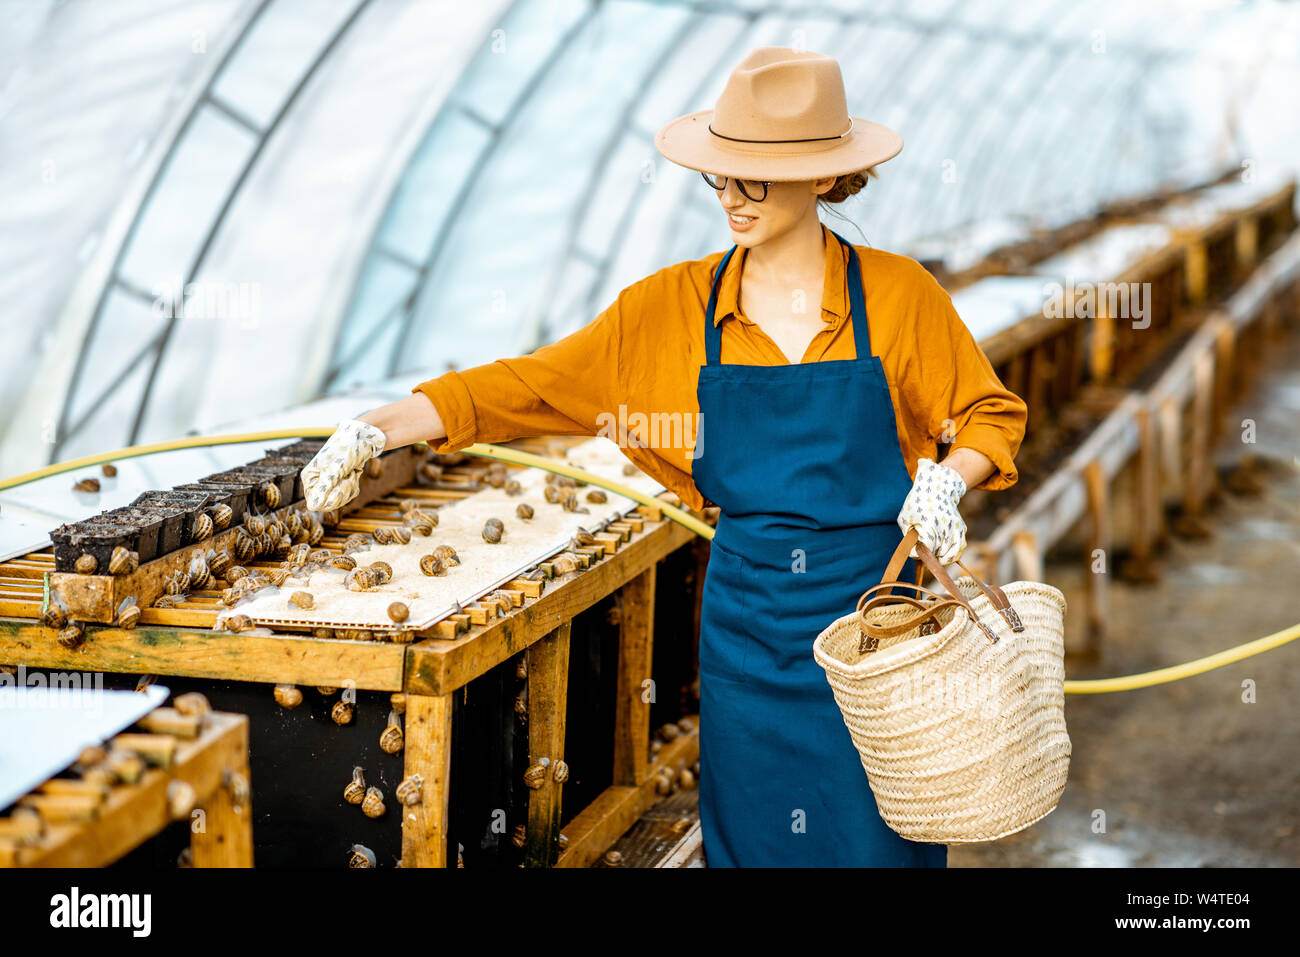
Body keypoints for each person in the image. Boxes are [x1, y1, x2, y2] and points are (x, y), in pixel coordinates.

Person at [302, 47, 1027, 867]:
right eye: (721, 175)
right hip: (747, 634)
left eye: (754, 177)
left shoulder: (899, 298)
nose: (731, 197)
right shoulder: (674, 309)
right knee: (754, 839)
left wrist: (948, 481)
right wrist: (378, 427)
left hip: (876, 631)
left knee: (877, 841)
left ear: (824, 179)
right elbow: (531, 385)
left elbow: (987, 413)